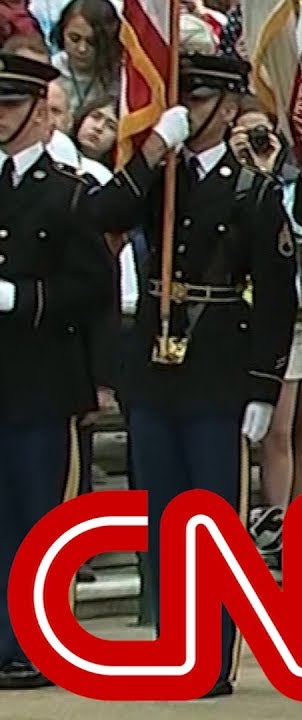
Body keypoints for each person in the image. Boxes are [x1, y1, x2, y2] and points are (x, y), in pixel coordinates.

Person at [82, 51, 302, 698]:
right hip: (153, 366)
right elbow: (101, 216)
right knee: (161, 514)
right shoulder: (159, 177)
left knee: (211, 517)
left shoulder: (251, 190)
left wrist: (263, 387)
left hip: (216, 366)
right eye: (184, 99)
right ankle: (174, 642)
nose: (187, 110)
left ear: (228, 108)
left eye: (198, 101)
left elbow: (276, 298)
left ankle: (211, 653)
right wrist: (151, 149)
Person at [0, 51, 115, 690]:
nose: (0, 117)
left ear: (42, 115)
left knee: (37, 516)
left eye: (12, 106)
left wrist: (22, 298)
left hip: (41, 378)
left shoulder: (70, 194)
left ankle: (35, 641)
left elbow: (92, 289)